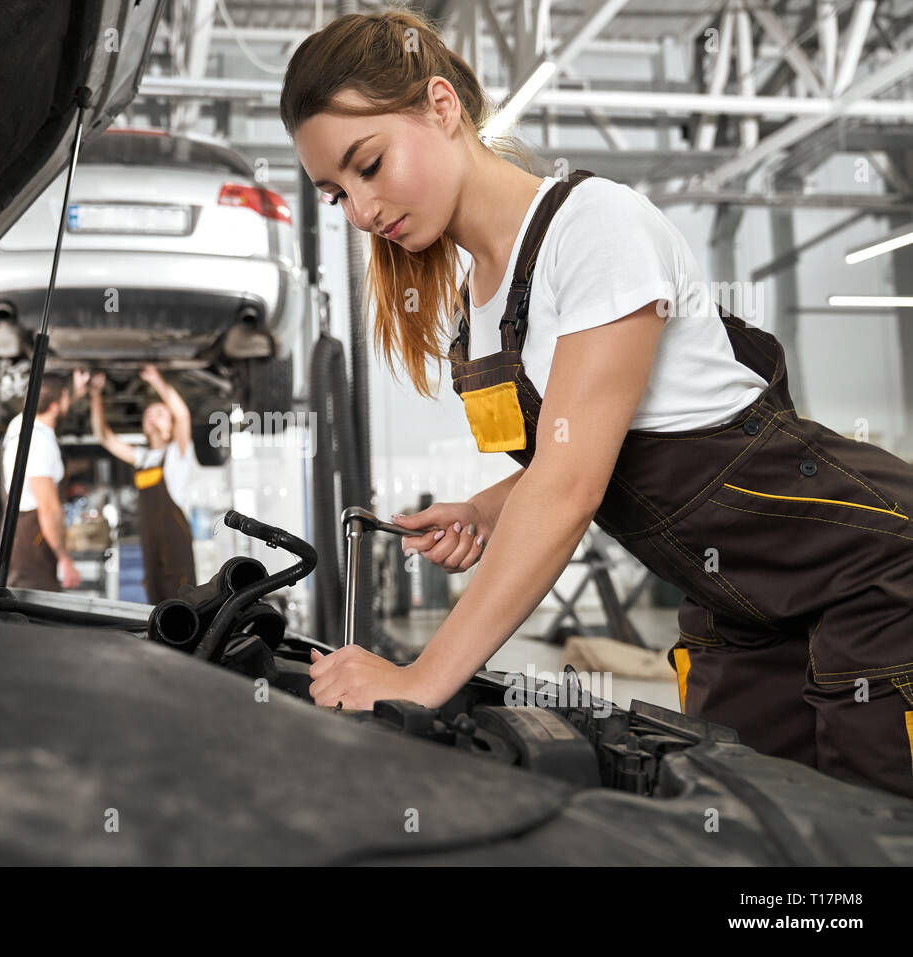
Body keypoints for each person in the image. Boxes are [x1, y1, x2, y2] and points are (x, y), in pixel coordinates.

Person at [285, 9, 913, 799]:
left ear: (440, 108)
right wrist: (486, 510)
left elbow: (571, 486)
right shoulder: (475, 307)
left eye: (368, 165)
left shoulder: (594, 227)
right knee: (754, 822)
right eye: (335, 194)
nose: (362, 208)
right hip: (742, 609)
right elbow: (581, 447)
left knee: (870, 823)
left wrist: (422, 675)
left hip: (874, 574)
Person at [89, 365, 196, 603]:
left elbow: (183, 415)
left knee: (183, 606)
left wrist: (157, 380)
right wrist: (95, 394)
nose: (152, 417)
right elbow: (104, 437)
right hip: (151, 546)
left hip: (175, 548)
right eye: (148, 415)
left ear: (171, 426)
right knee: (155, 605)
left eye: (159, 413)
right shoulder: (143, 457)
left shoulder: (179, 454)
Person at [2, 369, 89, 590]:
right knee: (33, 613)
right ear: (54, 406)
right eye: (65, 396)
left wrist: (75, 392)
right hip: (33, 542)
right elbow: (49, 509)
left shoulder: (21, 423)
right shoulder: (39, 446)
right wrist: (65, 559)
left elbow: (50, 407)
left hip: (24, 535)